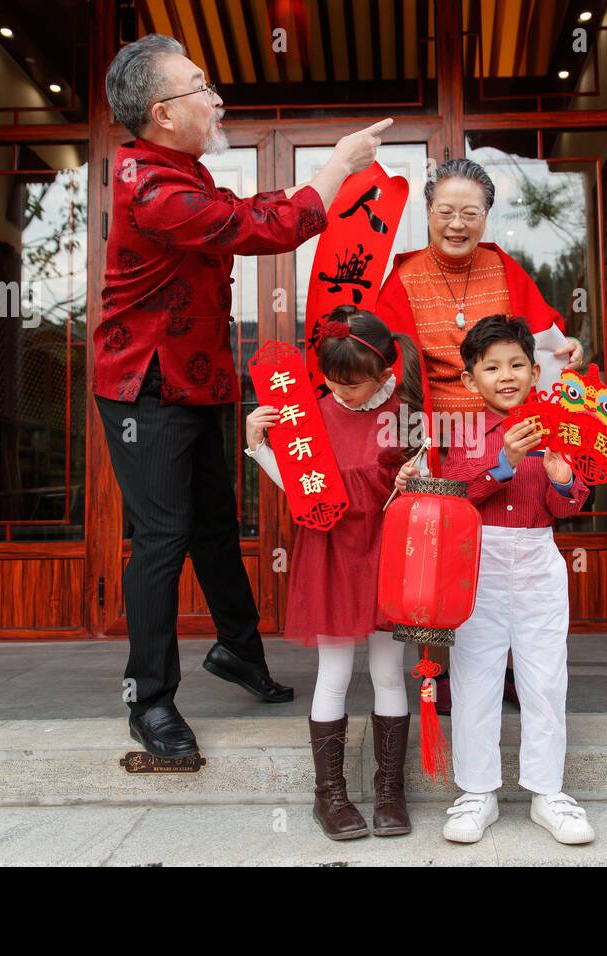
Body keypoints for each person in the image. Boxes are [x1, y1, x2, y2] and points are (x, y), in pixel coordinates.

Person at [95, 33, 393, 759]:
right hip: (144, 387)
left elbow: (256, 205)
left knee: (217, 527)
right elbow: (257, 226)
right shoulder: (151, 184)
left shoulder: (181, 170)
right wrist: (336, 168)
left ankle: (236, 650)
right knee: (162, 539)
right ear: (164, 111)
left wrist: (314, 184)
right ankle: (151, 700)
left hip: (195, 380)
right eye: (202, 86)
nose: (217, 98)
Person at [374, 157, 585, 713]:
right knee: (440, 555)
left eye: (471, 212)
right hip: (435, 431)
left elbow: (546, 340)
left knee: (505, 543)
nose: (457, 223)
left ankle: (505, 662)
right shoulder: (402, 276)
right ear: (427, 212)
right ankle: (436, 674)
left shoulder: (504, 267)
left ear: (487, 215)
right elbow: (385, 364)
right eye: (445, 211)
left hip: (508, 429)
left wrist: (569, 350)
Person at [396, 315, 594, 846]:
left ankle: (548, 792)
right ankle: (476, 792)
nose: (506, 376)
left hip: (537, 559)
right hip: (475, 563)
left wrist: (564, 478)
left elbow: (568, 505)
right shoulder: (458, 435)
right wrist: (503, 463)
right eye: (492, 367)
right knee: (475, 679)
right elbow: (450, 498)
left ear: (535, 371)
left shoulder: (557, 426)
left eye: (517, 365)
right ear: (469, 380)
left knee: (545, 679)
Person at [246, 307, 422, 840]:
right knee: (335, 675)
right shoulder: (311, 415)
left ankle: (392, 790)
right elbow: (302, 491)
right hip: (332, 554)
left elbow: (428, 487)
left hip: (390, 552)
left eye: (355, 383)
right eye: (333, 382)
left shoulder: (406, 411)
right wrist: (258, 445)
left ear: (385, 368)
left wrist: (419, 475)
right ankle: (331, 796)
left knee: (390, 673)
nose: (343, 393)